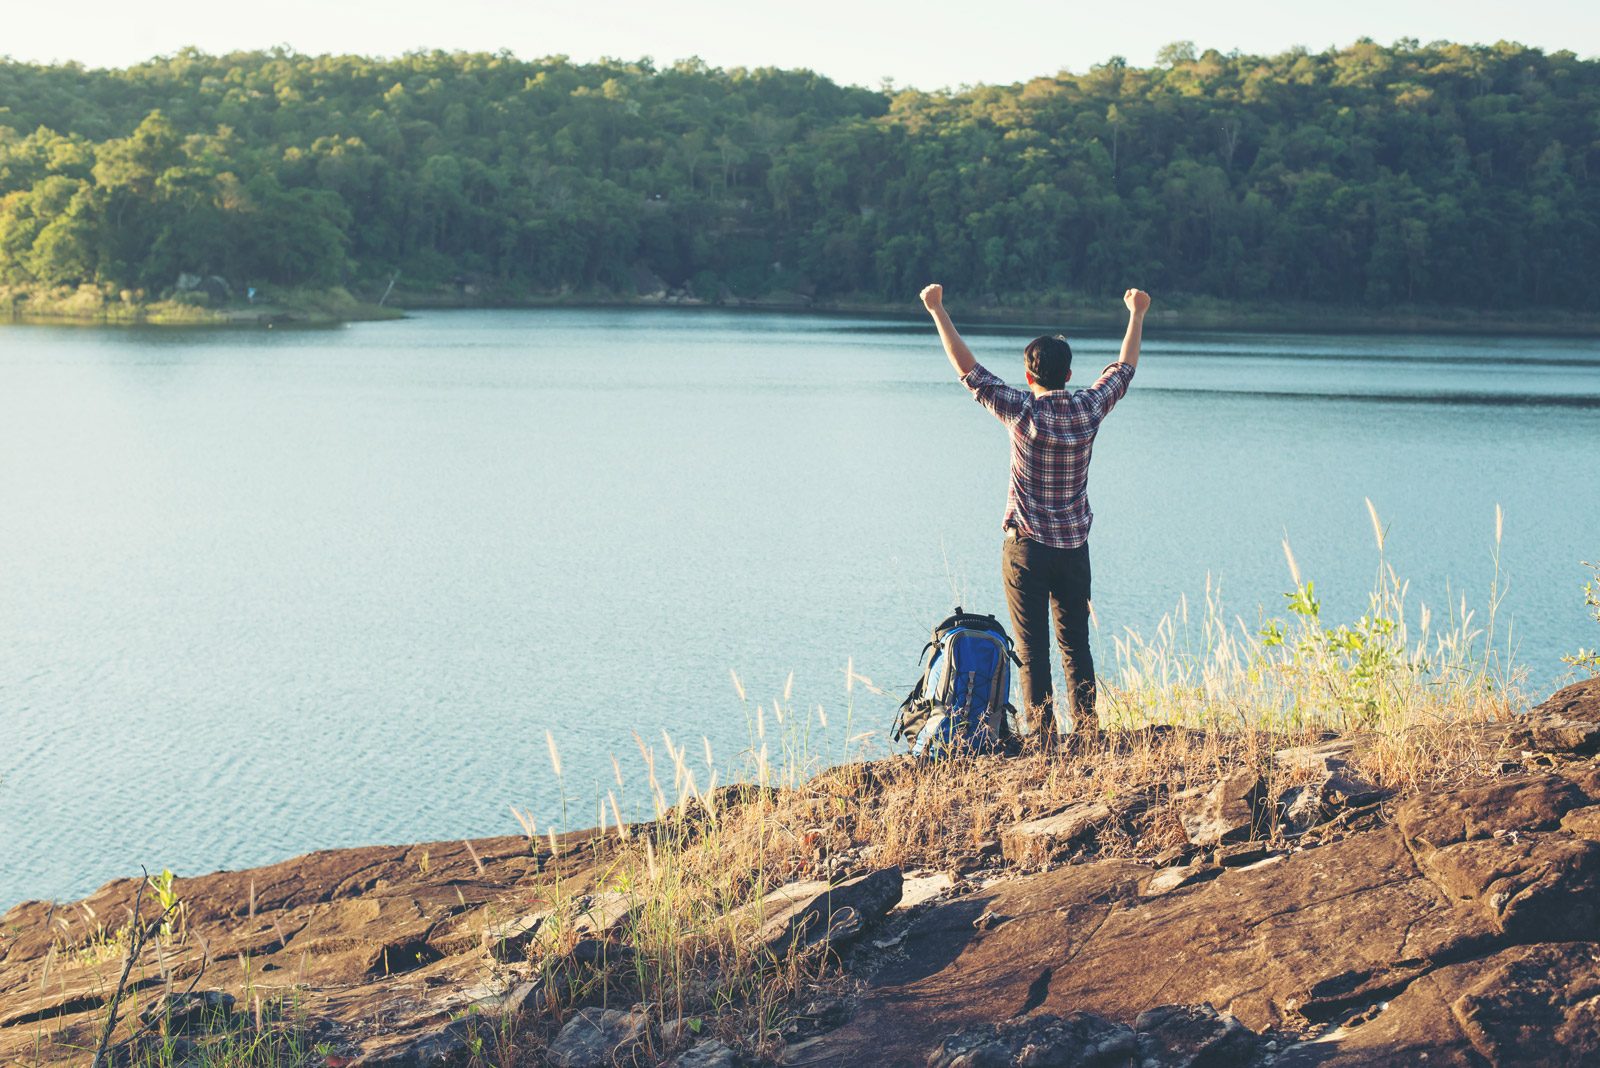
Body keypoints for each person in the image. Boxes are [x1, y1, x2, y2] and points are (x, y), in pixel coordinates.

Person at [919, 283, 1150, 744]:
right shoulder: (1087, 408)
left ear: (1029, 377)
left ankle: (1042, 739)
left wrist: (938, 310)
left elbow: (969, 371)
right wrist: (1137, 314)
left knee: (1032, 649)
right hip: (1073, 549)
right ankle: (1086, 734)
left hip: (1026, 548)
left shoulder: (1022, 412)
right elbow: (1124, 369)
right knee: (1075, 645)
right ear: (1068, 374)